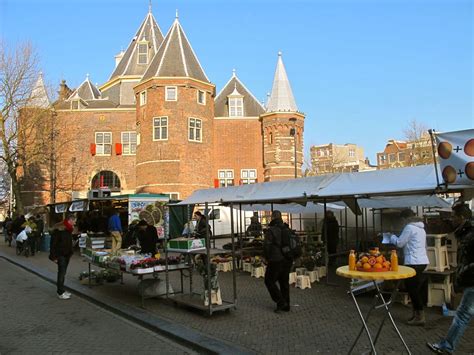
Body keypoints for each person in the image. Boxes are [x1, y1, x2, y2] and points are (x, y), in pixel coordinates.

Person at [427, 204, 474, 354]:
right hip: (470, 279)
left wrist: (463, 275)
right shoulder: (466, 232)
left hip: (473, 281)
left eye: (454, 216)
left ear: (461, 218)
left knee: (462, 314)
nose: (451, 220)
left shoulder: (471, 234)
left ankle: (447, 347)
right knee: (464, 314)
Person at [389, 208, 429, 326]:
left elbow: (400, 243)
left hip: (413, 262)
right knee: (415, 289)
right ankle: (416, 314)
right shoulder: (421, 228)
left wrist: (391, 236)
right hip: (422, 261)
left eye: (402, 220)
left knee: (412, 290)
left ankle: (420, 316)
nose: (401, 223)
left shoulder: (409, 227)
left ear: (405, 218)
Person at [263, 210, 293, 313]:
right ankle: (286, 305)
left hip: (276, 259)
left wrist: (267, 258)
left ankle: (280, 301)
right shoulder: (286, 228)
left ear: (272, 217)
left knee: (269, 280)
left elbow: (267, 246)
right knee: (284, 282)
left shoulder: (271, 230)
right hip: (287, 259)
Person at [49, 214, 75, 300]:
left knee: (63, 273)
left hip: (66, 254)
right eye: (73, 221)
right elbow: (53, 244)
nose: (74, 223)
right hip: (61, 255)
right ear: (69, 221)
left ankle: (62, 290)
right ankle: (60, 292)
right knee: (61, 273)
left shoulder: (68, 229)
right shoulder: (59, 231)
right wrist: (53, 257)